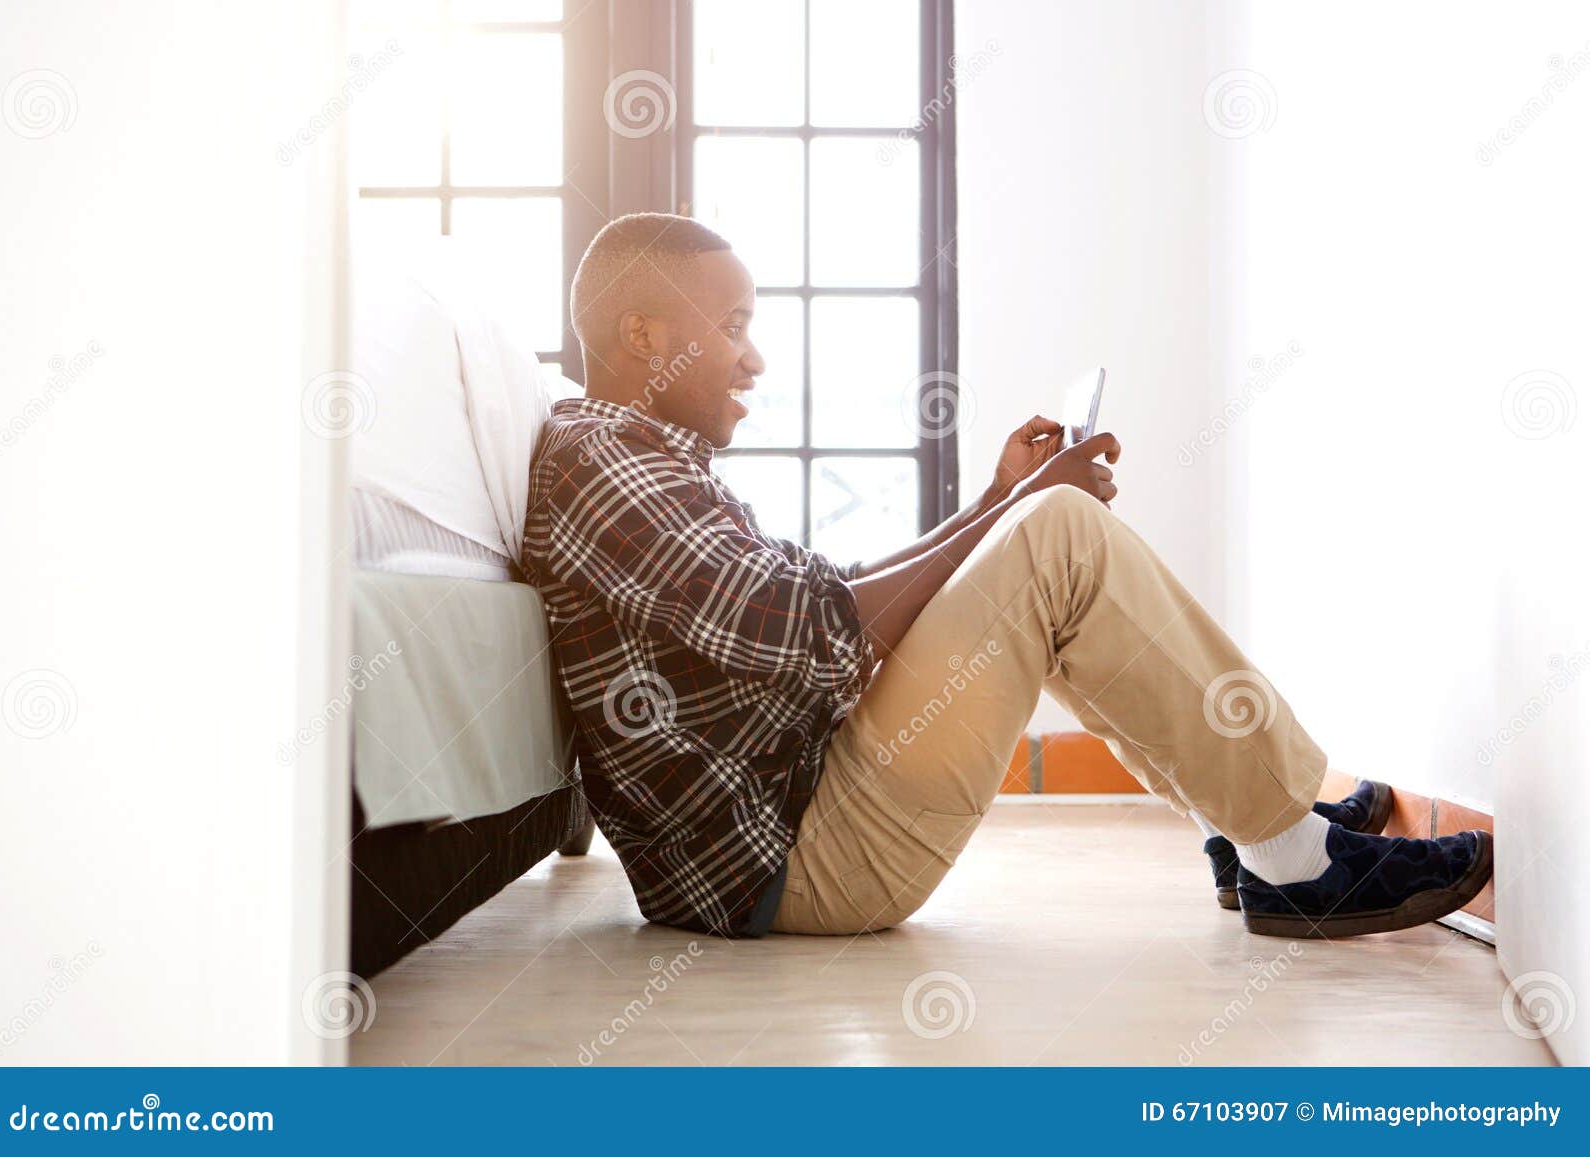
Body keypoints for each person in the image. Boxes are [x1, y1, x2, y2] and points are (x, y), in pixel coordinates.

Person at [521, 213, 1492, 941]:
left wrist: (997, 498)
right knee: (1060, 533)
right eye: (731, 324)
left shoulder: (631, 453)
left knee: (1042, 527)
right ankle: (1292, 856)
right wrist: (1026, 511)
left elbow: (822, 599)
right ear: (642, 335)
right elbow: (801, 632)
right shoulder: (606, 463)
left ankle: (1258, 825)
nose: (754, 354)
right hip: (795, 861)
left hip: (791, 816)